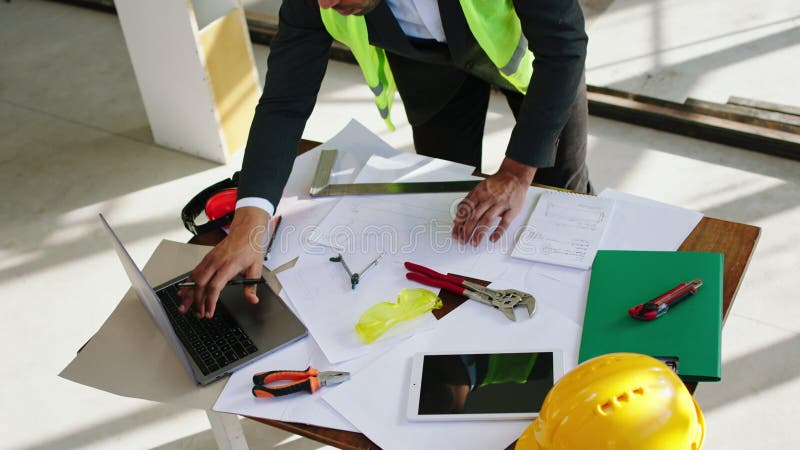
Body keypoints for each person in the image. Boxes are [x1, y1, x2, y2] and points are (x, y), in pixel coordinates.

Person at [178, 0, 590, 318]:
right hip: (426, 67)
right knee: (446, 218)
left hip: (536, 64)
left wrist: (517, 172)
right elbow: (284, 102)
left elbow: (563, 47)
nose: (323, 4)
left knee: (562, 202)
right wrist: (249, 226)